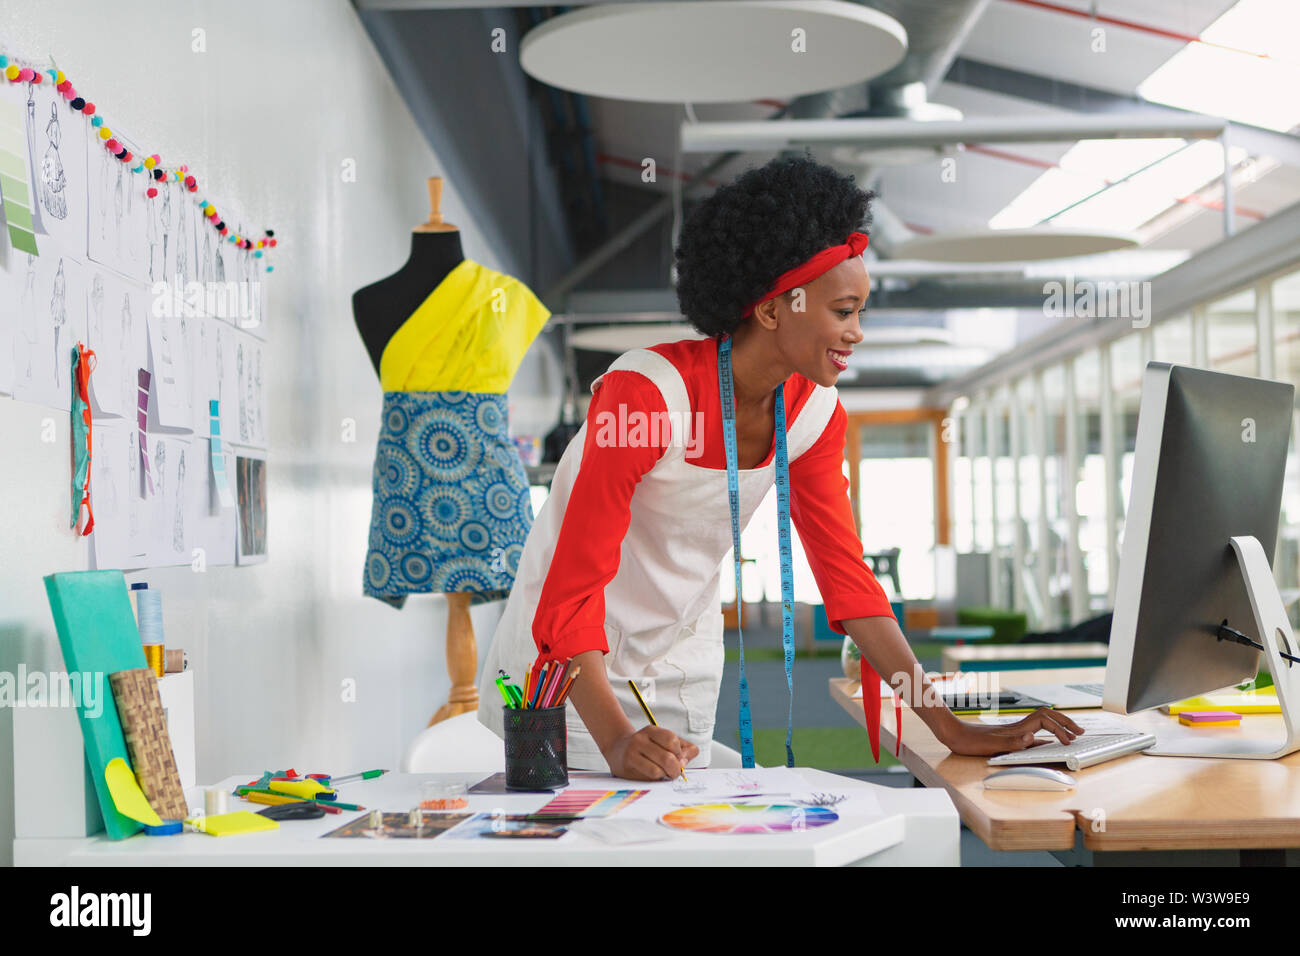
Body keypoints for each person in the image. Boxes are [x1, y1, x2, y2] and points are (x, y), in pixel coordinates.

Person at [477, 155, 1083, 780]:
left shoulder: (815, 414)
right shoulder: (646, 397)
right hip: (568, 673)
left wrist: (950, 727)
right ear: (771, 310)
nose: (856, 333)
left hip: (678, 654)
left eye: (861, 313)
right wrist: (614, 742)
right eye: (843, 310)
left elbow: (850, 583)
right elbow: (571, 593)